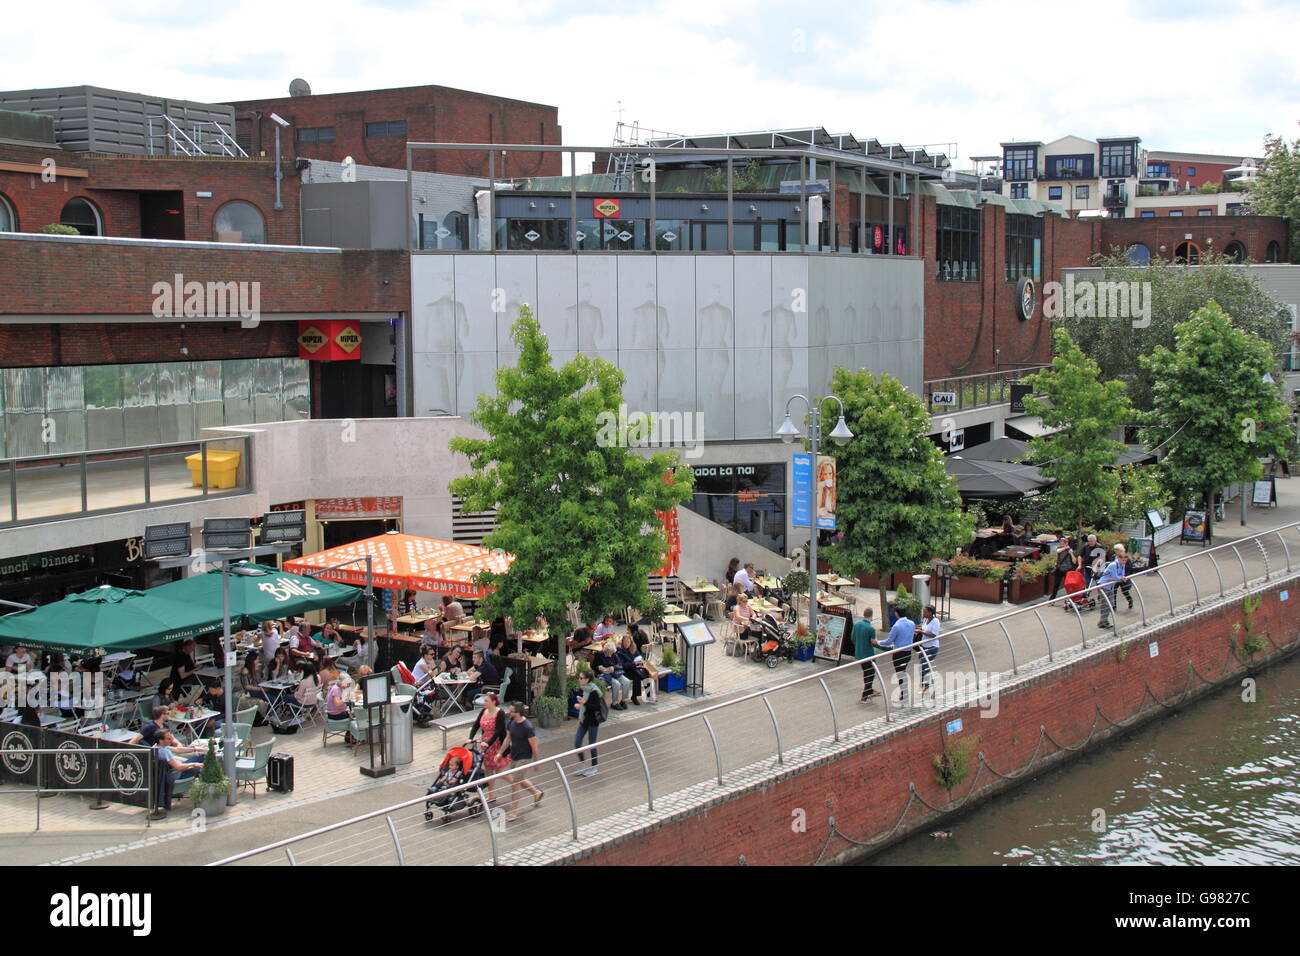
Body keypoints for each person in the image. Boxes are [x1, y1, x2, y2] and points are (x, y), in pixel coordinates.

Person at [150, 731, 204, 819]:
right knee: (201, 760)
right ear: (161, 740)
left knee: (199, 757)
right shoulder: (164, 752)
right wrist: (194, 764)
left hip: (172, 772)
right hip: (177, 774)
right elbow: (178, 767)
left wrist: (195, 749)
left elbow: (177, 750)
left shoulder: (156, 747)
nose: (171, 740)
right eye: (168, 739)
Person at [504, 702, 543, 822]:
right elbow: (508, 738)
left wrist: (536, 762)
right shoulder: (511, 722)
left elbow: (534, 747)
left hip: (524, 757)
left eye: (511, 711)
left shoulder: (528, 727)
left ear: (518, 713)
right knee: (518, 779)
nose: (508, 713)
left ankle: (513, 812)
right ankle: (536, 792)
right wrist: (500, 752)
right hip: (514, 756)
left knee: (515, 784)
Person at [467, 692, 510, 802]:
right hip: (485, 744)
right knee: (488, 770)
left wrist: (488, 743)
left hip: (496, 744)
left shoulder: (500, 713)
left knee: (499, 771)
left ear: (494, 702)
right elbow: (476, 725)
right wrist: (470, 737)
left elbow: (498, 730)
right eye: (484, 700)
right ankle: (491, 795)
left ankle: (517, 783)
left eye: (486, 701)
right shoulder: (483, 711)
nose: (484, 703)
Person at [875, 607, 916, 703]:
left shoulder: (896, 626)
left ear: (897, 614)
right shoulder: (912, 623)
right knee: (903, 671)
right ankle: (904, 693)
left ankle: (904, 693)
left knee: (900, 673)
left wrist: (878, 642)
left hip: (898, 653)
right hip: (908, 652)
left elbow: (888, 641)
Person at [571, 670, 604, 777]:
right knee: (577, 743)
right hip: (584, 720)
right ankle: (583, 764)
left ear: (587, 679)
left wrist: (585, 703)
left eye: (581, 678)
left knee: (592, 745)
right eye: (579, 678)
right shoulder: (582, 689)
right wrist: (579, 705)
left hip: (593, 721)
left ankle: (594, 766)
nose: (579, 680)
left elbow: (597, 707)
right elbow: (583, 703)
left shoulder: (594, 691)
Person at [1097, 546, 1130, 629]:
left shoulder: (1121, 565)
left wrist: (1120, 578)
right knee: (1105, 604)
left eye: (1125, 561)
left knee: (1111, 603)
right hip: (1103, 586)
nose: (1124, 562)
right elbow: (1116, 576)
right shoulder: (1113, 565)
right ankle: (1103, 622)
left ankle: (1103, 621)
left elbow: (1121, 575)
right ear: (1118, 558)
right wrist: (1120, 578)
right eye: (1123, 560)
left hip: (1110, 586)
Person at [852, 607, 879, 702]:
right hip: (868, 654)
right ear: (871, 616)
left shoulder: (857, 625)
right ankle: (865, 695)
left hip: (859, 654)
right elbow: (874, 643)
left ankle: (869, 690)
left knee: (866, 672)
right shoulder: (871, 628)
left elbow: (853, 638)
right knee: (871, 673)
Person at [595, 640, 631, 709]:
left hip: (615, 673)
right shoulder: (599, 654)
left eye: (612, 652)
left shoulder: (614, 654)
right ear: (606, 650)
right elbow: (595, 665)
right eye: (609, 652)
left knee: (627, 681)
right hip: (606, 675)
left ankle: (623, 701)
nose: (610, 654)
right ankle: (614, 703)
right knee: (616, 684)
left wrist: (613, 667)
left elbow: (620, 664)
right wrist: (600, 667)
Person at [916, 605, 941, 693]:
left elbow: (934, 634)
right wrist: (917, 628)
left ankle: (926, 685)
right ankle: (926, 684)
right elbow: (923, 628)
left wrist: (921, 632)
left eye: (925, 612)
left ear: (930, 613)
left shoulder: (936, 621)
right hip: (924, 647)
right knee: (924, 666)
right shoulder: (925, 620)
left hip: (932, 647)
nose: (923, 613)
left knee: (925, 666)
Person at [616, 634, 644, 706]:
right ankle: (634, 697)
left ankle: (649, 694)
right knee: (636, 676)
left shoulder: (633, 649)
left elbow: (639, 656)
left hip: (634, 668)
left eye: (628, 642)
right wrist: (634, 663)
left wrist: (641, 661)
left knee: (646, 674)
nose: (626, 643)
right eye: (625, 642)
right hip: (625, 671)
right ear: (622, 642)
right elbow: (622, 665)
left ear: (631, 642)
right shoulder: (620, 652)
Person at [1049, 536, 1080, 600]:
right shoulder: (1059, 548)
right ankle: (1052, 598)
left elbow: (1074, 561)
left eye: (1063, 542)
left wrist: (1071, 554)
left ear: (1066, 542)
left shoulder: (1070, 550)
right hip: (1059, 569)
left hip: (1068, 570)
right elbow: (1058, 551)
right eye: (1060, 542)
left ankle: (1071, 598)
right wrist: (1066, 548)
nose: (1061, 543)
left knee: (1068, 584)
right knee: (1056, 585)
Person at [1080, 534, 1106, 606]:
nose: (1090, 543)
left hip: (1098, 569)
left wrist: (1096, 567)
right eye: (1089, 541)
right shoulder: (1086, 546)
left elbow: (1101, 559)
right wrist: (1080, 564)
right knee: (1087, 584)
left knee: (1099, 584)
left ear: (1095, 540)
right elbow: (1080, 556)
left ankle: (1101, 597)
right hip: (1088, 568)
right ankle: (1085, 599)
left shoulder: (1099, 547)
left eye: (1092, 541)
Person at [1112, 543, 1135, 610]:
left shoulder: (1125, 557)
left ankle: (1130, 600)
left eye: (1117, 550)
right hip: (1116, 577)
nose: (1116, 551)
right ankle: (1114, 605)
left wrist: (1125, 575)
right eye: (1115, 550)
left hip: (1123, 577)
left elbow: (1129, 567)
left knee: (1124, 590)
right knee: (1114, 591)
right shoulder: (1113, 556)